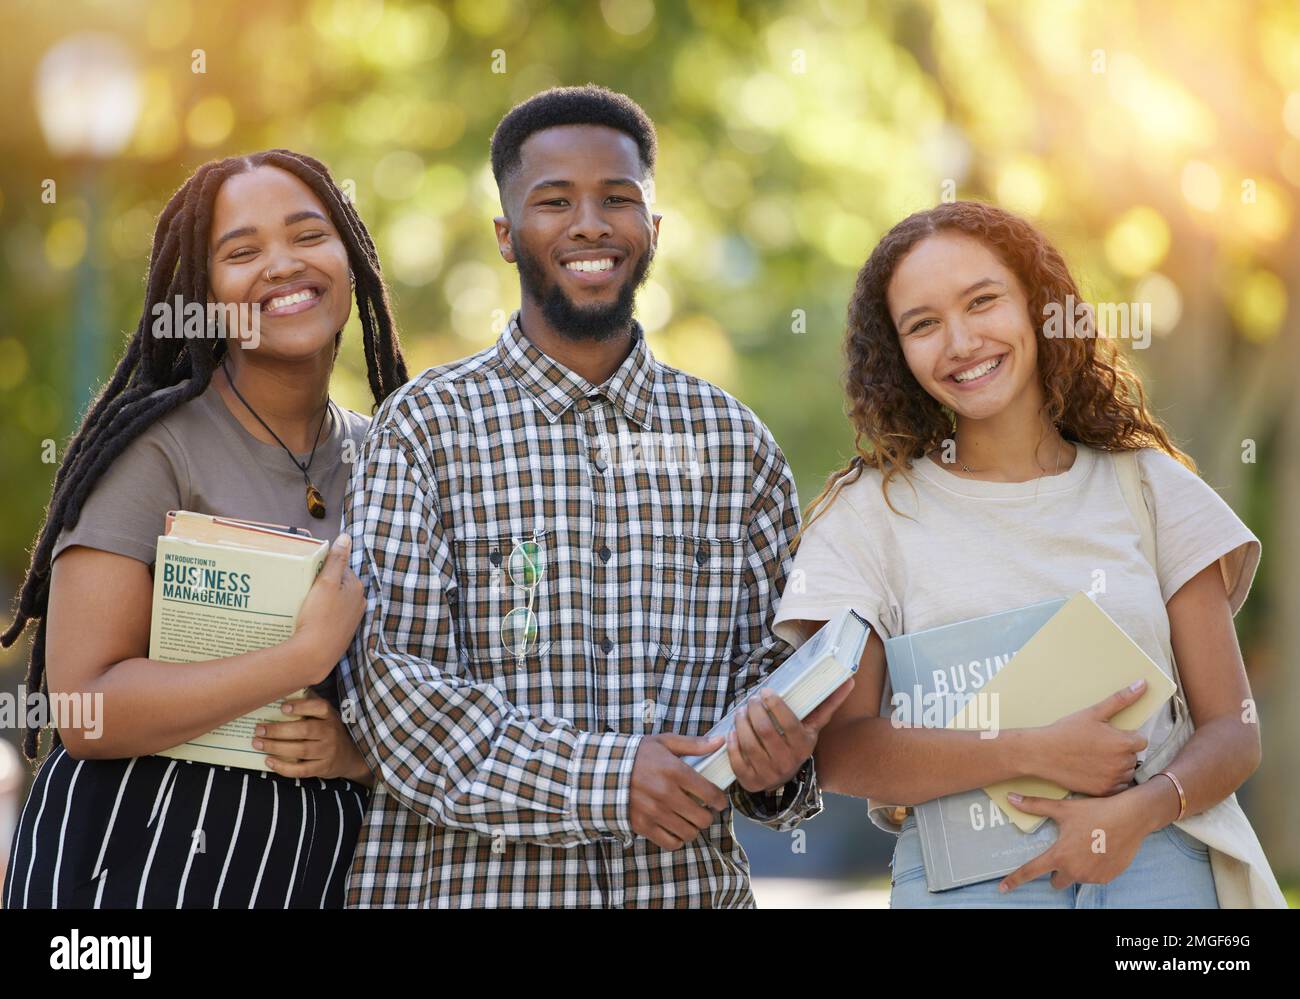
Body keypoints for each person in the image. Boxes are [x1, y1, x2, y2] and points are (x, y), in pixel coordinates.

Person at [337, 85, 851, 908]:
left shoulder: (737, 448)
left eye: (618, 199)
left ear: (654, 229)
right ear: (506, 236)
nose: (589, 224)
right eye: (554, 201)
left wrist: (773, 756)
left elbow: (777, 684)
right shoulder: (424, 429)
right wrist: (610, 779)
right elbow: (390, 695)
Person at [773, 200, 1275, 908]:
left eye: (983, 302)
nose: (961, 341)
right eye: (923, 324)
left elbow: (1234, 730)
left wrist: (1135, 814)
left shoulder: (1148, 486)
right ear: (898, 353)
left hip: (1156, 867)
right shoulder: (871, 516)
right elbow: (843, 749)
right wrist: (1030, 749)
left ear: (1039, 307)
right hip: (969, 883)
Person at [2, 149, 408, 908]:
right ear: (202, 291)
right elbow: (83, 708)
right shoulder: (153, 448)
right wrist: (301, 656)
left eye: (307, 236)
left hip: (307, 867)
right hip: (132, 858)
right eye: (242, 251)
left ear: (351, 259)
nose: (282, 266)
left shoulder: (389, 459)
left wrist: (358, 758)